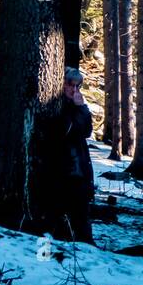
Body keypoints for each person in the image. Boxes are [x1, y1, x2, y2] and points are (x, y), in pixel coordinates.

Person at [48, 67, 95, 244]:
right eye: (70, 85)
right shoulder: (56, 104)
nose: (74, 90)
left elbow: (87, 131)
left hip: (79, 172)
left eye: (77, 86)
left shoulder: (76, 106)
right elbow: (68, 130)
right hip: (63, 173)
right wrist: (79, 109)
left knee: (81, 220)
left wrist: (81, 108)